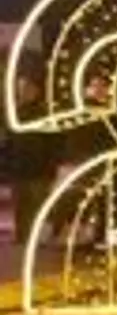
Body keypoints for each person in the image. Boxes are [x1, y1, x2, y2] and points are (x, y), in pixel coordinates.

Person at [5, 72, 62, 248]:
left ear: (35, 91)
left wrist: (52, 165)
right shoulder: (15, 113)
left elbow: (54, 142)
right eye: (20, 88)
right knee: (21, 205)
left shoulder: (44, 113)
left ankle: (36, 237)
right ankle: (22, 235)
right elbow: (9, 142)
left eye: (26, 88)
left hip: (39, 168)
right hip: (19, 168)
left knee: (38, 205)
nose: (23, 92)